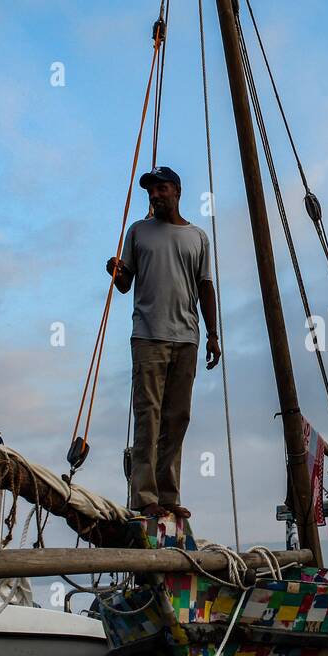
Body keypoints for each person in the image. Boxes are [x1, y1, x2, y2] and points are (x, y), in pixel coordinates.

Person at [106, 166, 220, 519]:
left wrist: (213, 335)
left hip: (187, 337)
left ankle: (168, 496)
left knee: (177, 418)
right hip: (148, 336)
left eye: (161, 189)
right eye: (151, 191)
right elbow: (125, 284)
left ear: (177, 191)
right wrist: (114, 270)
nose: (155, 195)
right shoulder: (138, 232)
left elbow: (205, 286)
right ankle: (144, 496)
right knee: (148, 417)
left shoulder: (198, 237)